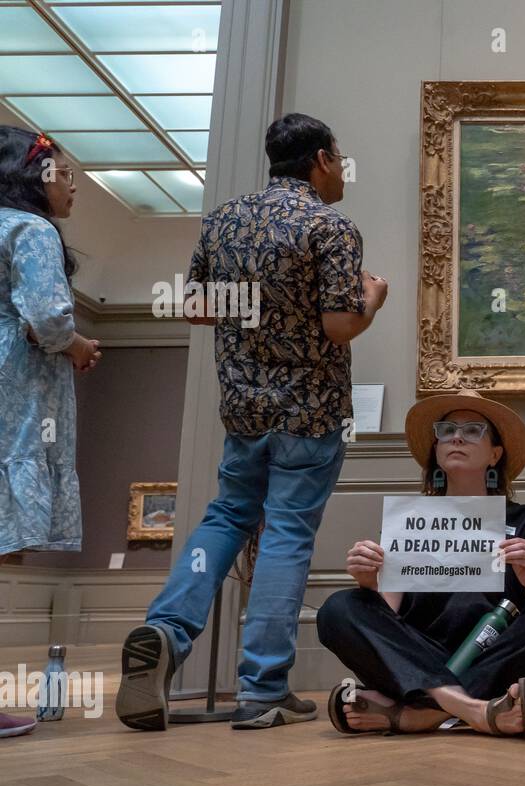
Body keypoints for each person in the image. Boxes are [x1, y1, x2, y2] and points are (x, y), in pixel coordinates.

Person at [115, 113, 388, 732]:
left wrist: (256, 309)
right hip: (310, 411)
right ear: (320, 158)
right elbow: (339, 326)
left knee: (225, 519)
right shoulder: (331, 226)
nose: (341, 169)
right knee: (287, 535)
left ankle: (164, 631)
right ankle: (262, 688)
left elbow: (198, 308)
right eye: (338, 158)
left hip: (244, 408)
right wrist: (373, 300)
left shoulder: (224, 220)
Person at [317, 389, 525, 736]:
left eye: (473, 430)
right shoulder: (412, 519)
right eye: (446, 430)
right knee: (338, 608)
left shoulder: (523, 518)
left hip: (495, 655)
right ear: (436, 449)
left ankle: (417, 714)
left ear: (495, 454)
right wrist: (368, 581)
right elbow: (386, 611)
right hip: (419, 654)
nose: (457, 437)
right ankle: (474, 710)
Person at [1, 126, 101, 740]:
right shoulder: (29, 229)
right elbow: (46, 317)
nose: (71, 187)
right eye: (65, 173)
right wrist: (78, 345)